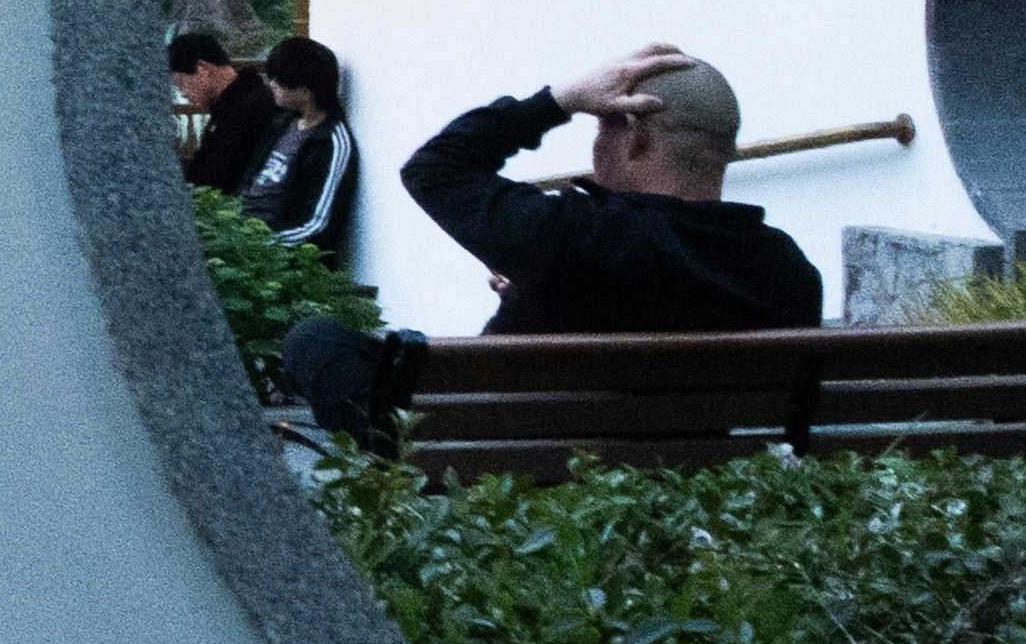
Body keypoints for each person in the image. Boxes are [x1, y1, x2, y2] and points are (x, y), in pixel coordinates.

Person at [281, 42, 823, 436]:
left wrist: (558, 100)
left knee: (315, 338)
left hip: (507, 460)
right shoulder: (789, 270)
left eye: (599, 124)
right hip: (683, 475)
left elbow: (435, 168)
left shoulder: (571, 236)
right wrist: (532, 296)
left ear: (633, 133)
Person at [232, 34, 357, 263]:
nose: (272, 86)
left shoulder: (331, 143)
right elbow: (252, 179)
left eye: (279, 81)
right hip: (241, 228)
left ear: (305, 91)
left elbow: (317, 225)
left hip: (271, 247)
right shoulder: (285, 121)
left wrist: (255, 246)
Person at [170, 29, 282, 197]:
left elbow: (218, 177)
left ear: (203, 69)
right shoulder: (234, 103)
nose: (183, 94)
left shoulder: (246, 109)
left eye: (181, 84)